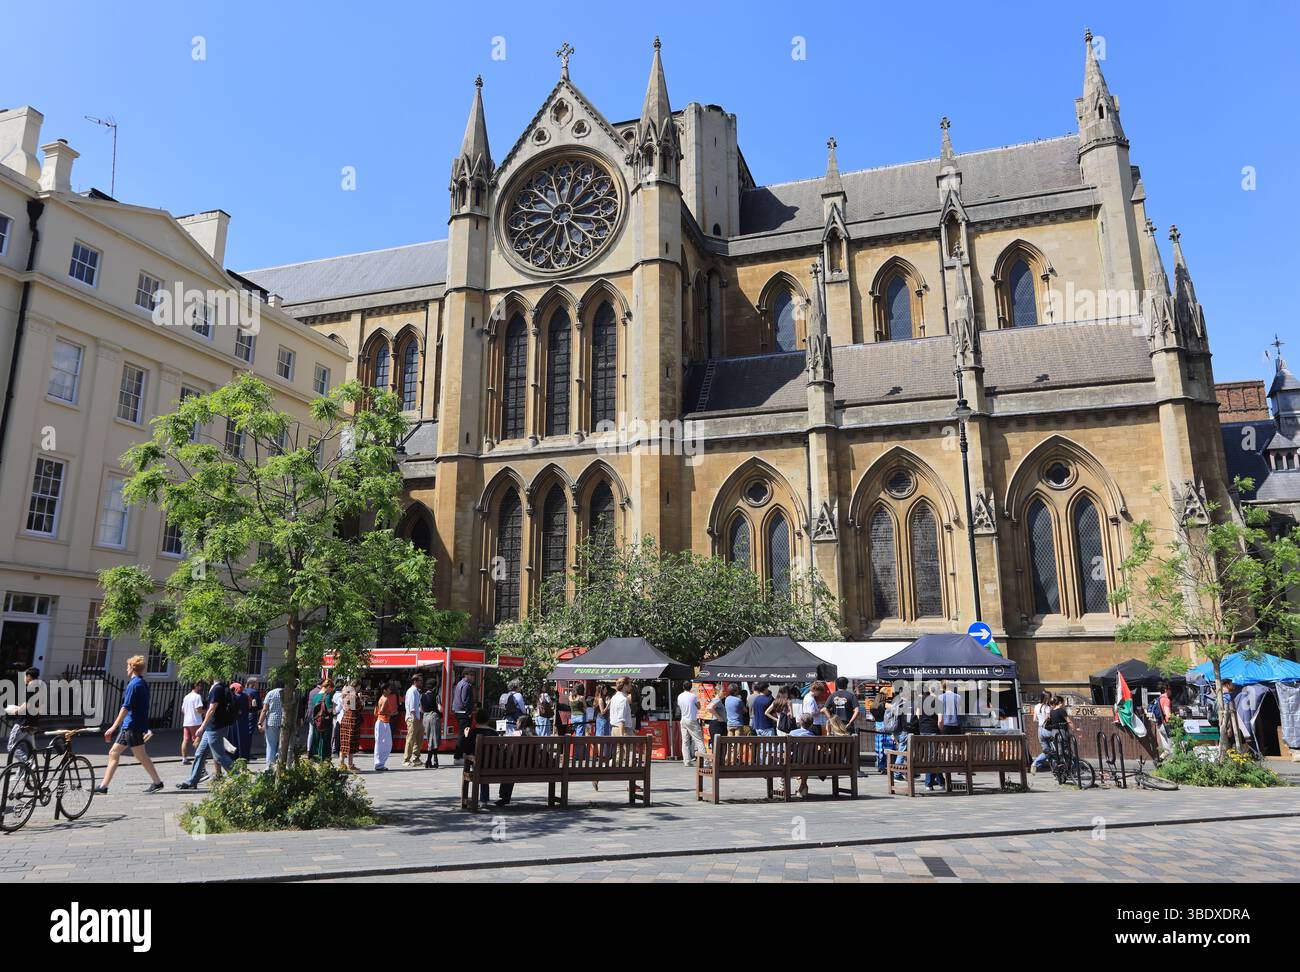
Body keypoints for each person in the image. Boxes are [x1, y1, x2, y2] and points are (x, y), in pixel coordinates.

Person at [95, 655, 165, 794]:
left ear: (132, 668)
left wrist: (113, 726)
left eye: (127, 666)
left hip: (131, 726)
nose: (126, 669)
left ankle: (157, 782)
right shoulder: (142, 683)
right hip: (133, 725)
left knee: (139, 756)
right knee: (117, 753)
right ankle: (103, 786)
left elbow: (125, 707)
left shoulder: (134, 685)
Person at [177, 676, 238, 789]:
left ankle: (239, 778)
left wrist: (202, 726)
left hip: (215, 727)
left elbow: (212, 709)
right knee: (200, 754)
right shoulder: (218, 687)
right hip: (212, 727)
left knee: (220, 756)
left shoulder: (217, 688)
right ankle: (192, 781)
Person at [494, 714, 536, 807]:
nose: (516, 722)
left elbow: (508, 749)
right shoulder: (534, 733)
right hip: (533, 766)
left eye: (517, 721)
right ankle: (504, 797)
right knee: (511, 766)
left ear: (521, 723)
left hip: (516, 766)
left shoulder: (517, 733)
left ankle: (504, 797)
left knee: (508, 768)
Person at [462, 708, 498, 809]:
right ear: (488, 720)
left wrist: (466, 736)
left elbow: (467, 750)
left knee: (479, 766)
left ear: (476, 720)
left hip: (478, 765)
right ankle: (484, 799)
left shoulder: (473, 733)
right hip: (493, 765)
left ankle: (481, 800)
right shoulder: (494, 733)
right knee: (484, 766)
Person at [4, 667, 42, 759]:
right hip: (33, 723)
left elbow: (27, 704)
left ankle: (26, 762)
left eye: (24, 676)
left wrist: (16, 711)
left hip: (23, 723)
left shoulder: (30, 687)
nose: (24, 678)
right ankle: (24, 770)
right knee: (27, 748)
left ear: (28, 676)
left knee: (11, 746)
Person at [917, 683, 944, 791]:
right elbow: (941, 720)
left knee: (931, 756)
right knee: (932, 757)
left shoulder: (921, 701)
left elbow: (918, 715)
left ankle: (941, 782)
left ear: (929, 689)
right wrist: (940, 729)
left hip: (923, 731)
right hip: (933, 731)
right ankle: (929, 783)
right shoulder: (938, 702)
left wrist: (923, 724)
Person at [258, 680, 284, 769]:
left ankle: (269, 767)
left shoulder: (270, 693)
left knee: (271, 745)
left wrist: (260, 722)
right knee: (282, 745)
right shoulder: (288, 693)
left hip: (271, 721)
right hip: (284, 722)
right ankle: (280, 766)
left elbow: (265, 709)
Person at [373, 682, 398, 771]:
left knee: (379, 743)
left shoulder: (380, 698)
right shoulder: (385, 699)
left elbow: (375, 713)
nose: (390, 690)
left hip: (380, 721)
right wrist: (391, 713)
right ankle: (380, 763)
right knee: (386, 744)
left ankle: (378, 763)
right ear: (384, 690)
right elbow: (382, 710)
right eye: (389, 689)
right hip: (384, 722)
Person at [308, 678, 335, 761]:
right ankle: (324, 759)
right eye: (331, 688)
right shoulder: (327, 696)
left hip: (317, 721)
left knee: (316, 739)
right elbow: (330, 710)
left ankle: (315, 757)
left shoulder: (316, 696)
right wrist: (334, 706)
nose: (331, 691)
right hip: (325, 722)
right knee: (325, 741)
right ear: (328, 687)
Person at [677, 682, 703, 765]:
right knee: (699, 740)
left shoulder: (680, 696)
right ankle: (705, 761)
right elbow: (699, 707)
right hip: (692, 719)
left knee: (685, 741)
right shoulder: (693, 696)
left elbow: (679, 706)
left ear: (683, 687)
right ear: (691, 687)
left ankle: (686, 761)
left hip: (683, 719)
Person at [180, 681, 206, 764]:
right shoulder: (197, 696)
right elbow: (198, 709)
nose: (201, 687)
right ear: (196, 686)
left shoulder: (186, 697)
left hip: (186, 722)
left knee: (185, 740)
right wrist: (205, 712)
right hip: (195, 722)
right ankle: (198, 758)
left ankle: (184, 758)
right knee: (197, 740)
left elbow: (183, 710)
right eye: (200, 685)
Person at [338, 679, 361, 772]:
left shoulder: (344, 694)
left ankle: (342, 763)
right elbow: (356, 708)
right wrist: (360, 699)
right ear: (357, 686)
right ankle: (350, 765)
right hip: (351, 719)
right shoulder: (353, 695)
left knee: (344, 742)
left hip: (345, 718)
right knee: (351, 742)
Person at [451, 670, 474, 760]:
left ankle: (461, 754)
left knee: (463, 734)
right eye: (471, 674)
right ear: (465, 675)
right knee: (463, 734)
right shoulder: (466, 685)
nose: (473, 677)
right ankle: (458, 755)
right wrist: (469, 712)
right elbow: (465, 700)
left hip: (458, 712)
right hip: (464, 713)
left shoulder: (459, 683)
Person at [402, 674, 424, 766]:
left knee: (418, 738)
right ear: (415, 681)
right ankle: (406, 759)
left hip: (417, 718)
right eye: (420, 681)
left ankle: (416, 758)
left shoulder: (416, 691)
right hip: (413, 718)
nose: (421, 683)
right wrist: (414, 717)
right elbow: (411, 706)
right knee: (411, 738)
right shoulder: (412, 691)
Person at [1031, 691, 1054, 772]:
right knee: (1056, 748)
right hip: (1047, 730)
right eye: (1050, 697)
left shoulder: (1036, 706)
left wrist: (1041, 720)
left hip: (1040, 730)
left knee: (1047, 751)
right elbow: (1048, 718)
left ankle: (1035, 764)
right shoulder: (1047, 707)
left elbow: (1034, 719)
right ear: (1047, 698)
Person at [421, 678, 442, 768]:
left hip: (425, 717)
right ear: (434, 687)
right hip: (434, 717)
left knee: (429, 738)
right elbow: (440, 708)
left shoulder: (422, 695)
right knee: (435, 738)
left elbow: (421, 709)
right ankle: (433, 759)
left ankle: (429, 760)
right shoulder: (436, 695)